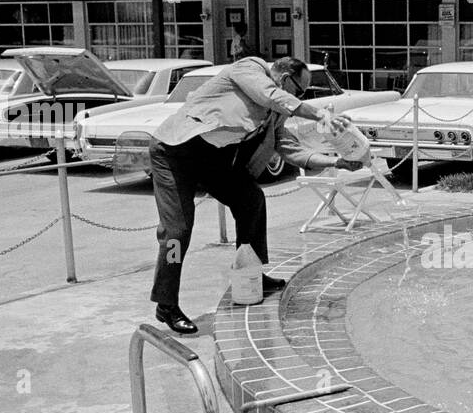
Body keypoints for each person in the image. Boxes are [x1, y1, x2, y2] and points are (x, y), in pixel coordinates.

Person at [149, 56, 361, 335]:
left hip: (212, 159)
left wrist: (336, 162)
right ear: (285, 78)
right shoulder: (249, 69)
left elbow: (288, 147)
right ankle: (166, 303)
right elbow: (269, 95)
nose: (299, 97)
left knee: (250, 199)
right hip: (175, 152)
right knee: (177, 232)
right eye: (299, 90)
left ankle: (252, 274)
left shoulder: (275, 111)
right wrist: (321, 114)